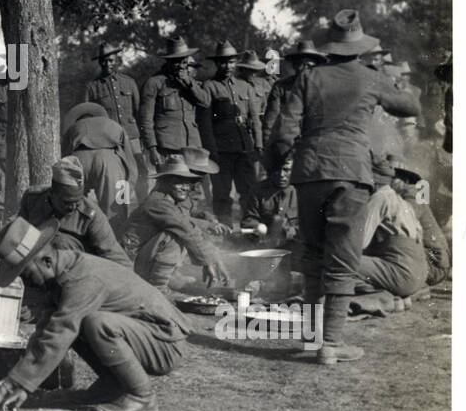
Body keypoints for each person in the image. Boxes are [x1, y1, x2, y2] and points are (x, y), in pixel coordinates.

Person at [267, 8, 420, 365]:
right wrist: (384, 80)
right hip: (350, 174)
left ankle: (308, 339)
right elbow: (410, 104)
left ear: (330, 45)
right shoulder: (368, 77)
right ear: (360, 46)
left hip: (309, 174)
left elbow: (284, 133)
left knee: (312, 254)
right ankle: (331, 346)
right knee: (342, 260)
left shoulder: (309, 78)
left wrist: (274, 167)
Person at [0, 216, 190, 411]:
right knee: (81, 325)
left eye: (25, 274)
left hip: (164, 343)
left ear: (46, 261)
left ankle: (143, 398)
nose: (27, 282)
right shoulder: (61, 277)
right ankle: (113, 386)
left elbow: (61, 331)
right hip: (144, 335)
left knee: (96, 324)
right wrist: (19, 383)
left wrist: (12, 384)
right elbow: (46, 331)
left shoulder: (83, 279)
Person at [123, 157, 230, 293]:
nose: (185, 187)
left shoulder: (170, 199)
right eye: (178, 183)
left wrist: (213, 256)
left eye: (187, 183)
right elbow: (185, 229)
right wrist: (208, 260)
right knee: (175, 235)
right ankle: (158, 287)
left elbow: (188, 222)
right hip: (131, 264)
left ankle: (167, 277)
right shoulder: (158, 203)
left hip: (141, 258)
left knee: (185, 232)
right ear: (165, 182)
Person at [17, 156, 131, 267]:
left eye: (77, 201)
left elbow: (114, 254)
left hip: (79, 272)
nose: (73, 207)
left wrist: (132, 282)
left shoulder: (91, 215)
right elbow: (20, 231)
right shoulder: (33, 199)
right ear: (52, 194)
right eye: (67, 202)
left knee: (61, 242)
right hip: (39, 268)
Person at [200, 40, 263, 226]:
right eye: (223, 62)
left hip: (245, 148)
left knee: (249, 190)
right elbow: (205, 124)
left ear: (236, 63)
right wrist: (212, 150)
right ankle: (225, 231)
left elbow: (255, 119)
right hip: (222, 151)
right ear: (217, 63)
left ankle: (250, 229)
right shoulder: (209, 87)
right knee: (222, 193)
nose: (227, 66)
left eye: (231, 62)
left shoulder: (245, 86)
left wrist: (258, 145)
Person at [139, 36, 212, 183]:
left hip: (192, 146)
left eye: (184, 60)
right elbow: (145, 120)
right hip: (168, 147)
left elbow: (205, 102)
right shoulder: (155, 83)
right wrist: (152, 148)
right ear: (169, 61)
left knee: (193, 188)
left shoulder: (190, 82)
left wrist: (188, 83)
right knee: (170, 186)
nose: (181, 65)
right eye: (177, 60)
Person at [353, 159, 429, 301]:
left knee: (339, 264)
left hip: (402, 274)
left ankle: (384, 299)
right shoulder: (400, 201)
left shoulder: (380, 198)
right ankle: (399, 296)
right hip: (418, 274)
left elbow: (359, 243)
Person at [60, 102, 138, 234]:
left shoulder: (73, 128)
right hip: (108, 160)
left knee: (74, 203)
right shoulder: (113, 125)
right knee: (115, 208)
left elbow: (64, 155)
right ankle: (116, 239)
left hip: (78, 159)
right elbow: (129, 160)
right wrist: (128, 185)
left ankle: (76, 235)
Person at [390, 164, 451, 285]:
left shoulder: (413, 197)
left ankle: (417, 287)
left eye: (392, 178)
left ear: (404, 180)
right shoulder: (407, 197)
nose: (388, 182)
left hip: (434, 263)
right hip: (431, 260)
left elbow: (402, 222)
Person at [84, 41, 143, 165]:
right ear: (100, 62)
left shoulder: (129, 82)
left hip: (132, 137)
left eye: (111, 60)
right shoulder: (92, 87)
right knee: (115, 173)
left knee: (140, 170)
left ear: (116, 60)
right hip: (108, 139)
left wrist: (142, 138)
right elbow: (88, 119)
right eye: (104, 61)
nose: (107, 64)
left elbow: (139, 113)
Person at [262, 39, 325, 144]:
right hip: (286, 144)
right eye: (302, 64)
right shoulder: (281, 87)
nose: (305, 69)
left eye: (310, 66)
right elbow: (270, 121)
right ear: (295, 65)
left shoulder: (322, 88)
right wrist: (269, 147)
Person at [241, 152, 300, 248]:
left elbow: (309, 225)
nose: (281, 174)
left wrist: (288, 232)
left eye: (286, 170)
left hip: (294, 246)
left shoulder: (301, 191)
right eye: (277, 170)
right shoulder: (257, 190)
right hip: (265, 245)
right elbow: (249, 219)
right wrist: (255, 227)